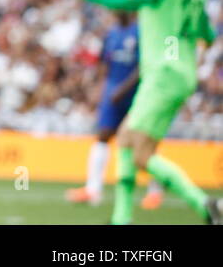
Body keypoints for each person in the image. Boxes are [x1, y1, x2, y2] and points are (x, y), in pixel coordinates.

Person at [35, 0, 221, 224]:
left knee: (139, 152)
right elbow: (207, 34)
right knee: (128, 143)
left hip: (163, 72)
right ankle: (123, 219)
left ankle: (203, 204)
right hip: (182, 73)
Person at [65, 13, 163, 209]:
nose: (116, 10)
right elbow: (105, 65)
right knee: (102, 136)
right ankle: (93, 190)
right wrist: (101, 89)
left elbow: (145, 66)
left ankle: (155, 191)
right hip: (112, 94)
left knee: (141, 142)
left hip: (136, 94)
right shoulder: (111, 34)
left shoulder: (141, 33)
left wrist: (124, 89)